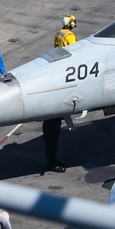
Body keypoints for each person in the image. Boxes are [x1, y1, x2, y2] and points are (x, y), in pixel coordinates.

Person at [41, 16, 76, 173]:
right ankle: (51, 163)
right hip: (67, 65)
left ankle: (53, 160)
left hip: (58, 63)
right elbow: (75, 52)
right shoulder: (70, 36)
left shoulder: (58, 33)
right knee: (52, 141)